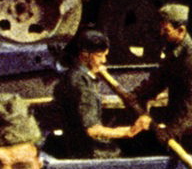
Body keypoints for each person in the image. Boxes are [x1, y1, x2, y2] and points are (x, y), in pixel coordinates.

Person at [124, 4, 192, 154]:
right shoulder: (173, 52)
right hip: (182, 128)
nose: (161, 33)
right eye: (160, 29)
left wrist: (172, 131)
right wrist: (138, 95)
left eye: (166, 30)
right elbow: (160, 78)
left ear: (180, 30)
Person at [52, 29, 145, 159]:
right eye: (100, 55)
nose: (104, 61)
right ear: (85, 55)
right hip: (90, 152)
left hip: (77, 147)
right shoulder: (81, 83)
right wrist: (128, 132)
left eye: (105, 55)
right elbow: (92, 130)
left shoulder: (72, 75)